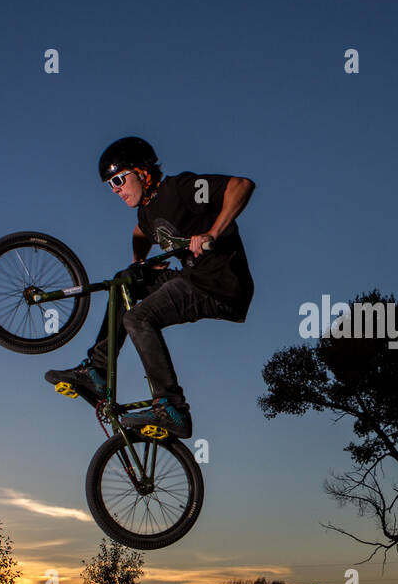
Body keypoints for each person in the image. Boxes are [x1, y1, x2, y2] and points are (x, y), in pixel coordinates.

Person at [45, 136, 255, 439]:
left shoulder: (181, 189)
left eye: (119, 179)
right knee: (123, 281)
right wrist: (139, 262)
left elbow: (241, 186)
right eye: (110, 184)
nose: (115, 189)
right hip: (193, 278)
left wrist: (213, 231)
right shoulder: (145, 210)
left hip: (220, 285)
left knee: (138, 318)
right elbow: (141, 231)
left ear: (143, 172)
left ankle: (171, 406)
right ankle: (98, 370)